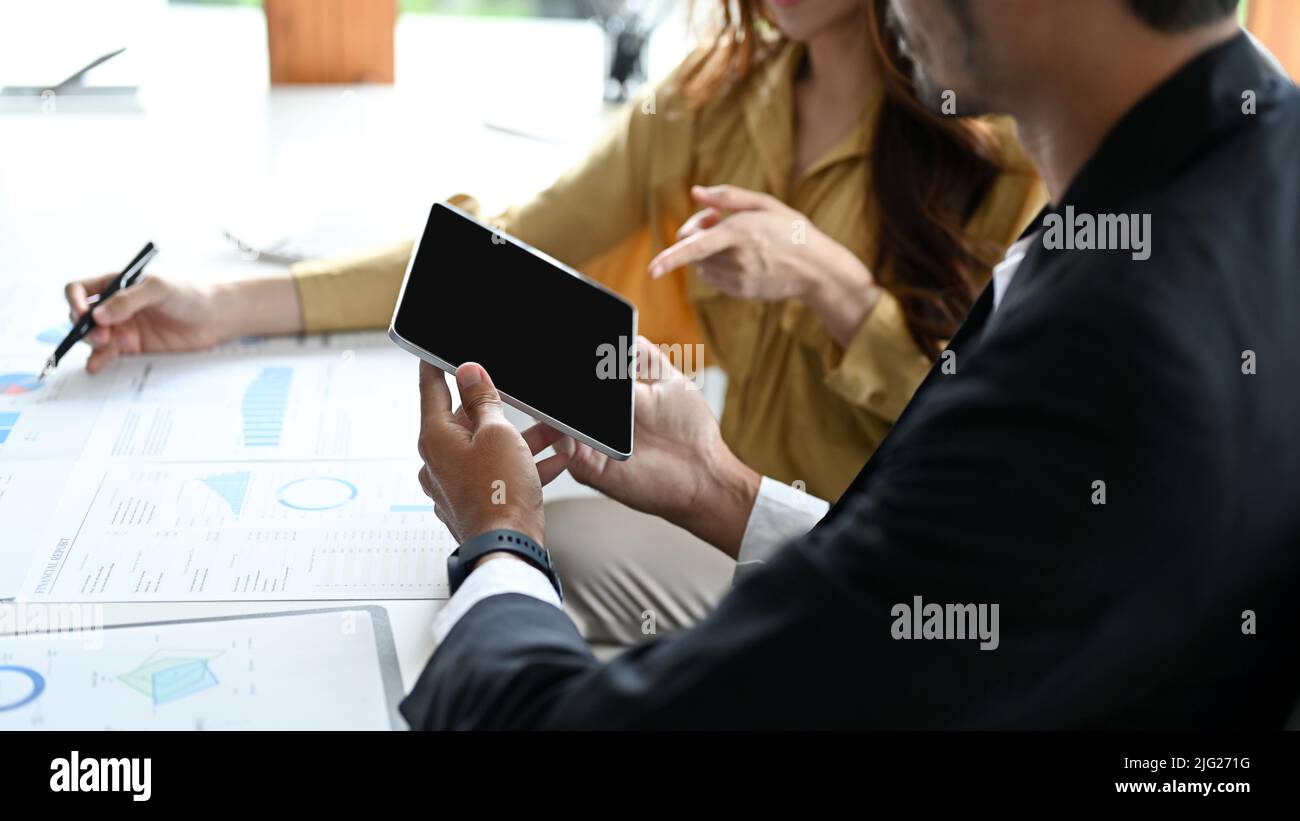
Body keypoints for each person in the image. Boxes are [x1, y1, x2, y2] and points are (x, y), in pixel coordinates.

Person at [400, 0, 1300, 729]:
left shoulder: (1101, 358)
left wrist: (499, 538)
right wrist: (716, 484)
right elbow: (962, 595)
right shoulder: (1242, 161)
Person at [63, 0, 1043, 645]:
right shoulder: (713, 96)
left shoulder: (998, 148)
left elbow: (995, 452)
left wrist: (837, 289)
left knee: (519, 554)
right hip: (731, 507)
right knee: (483, 543)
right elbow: (505, 245)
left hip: (879, 565)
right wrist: (224, 305)